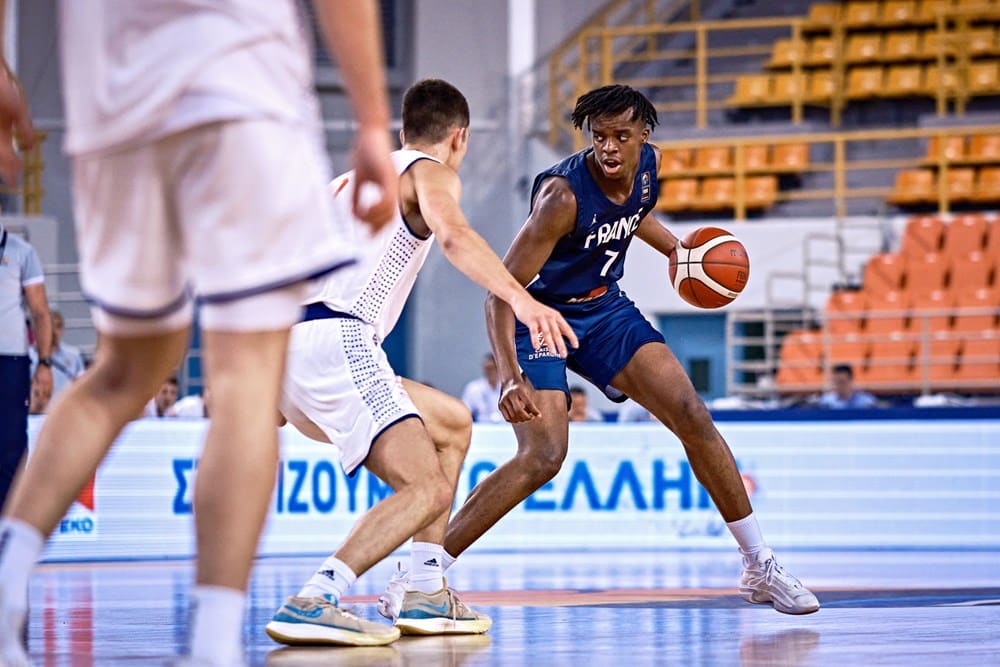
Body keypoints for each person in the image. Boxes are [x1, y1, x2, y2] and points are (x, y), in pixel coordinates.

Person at [0, 2, 399, 666]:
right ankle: (212, 645)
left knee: (119, 374)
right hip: (242, 89)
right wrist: (373, 121)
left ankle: (8, 584)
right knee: (246, 382)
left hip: (112, 108)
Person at [382, 85, 819, 617]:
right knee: (543, 456)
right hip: (538, 314)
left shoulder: (650, 167)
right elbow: (500, 292)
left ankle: (758, 565)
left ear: (644, 136)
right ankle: (421, 575)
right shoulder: (561, 199)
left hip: (603, 308)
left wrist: (678, 252)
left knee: (691, 413)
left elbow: (634, 214)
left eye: (621, 136)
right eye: (599, 137)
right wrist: (510, 375)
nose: (609, 147)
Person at [266, 78, 576, 647]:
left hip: (290, 345)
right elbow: (454, 236)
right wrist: (522, 300)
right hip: (341, 337)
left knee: (452, 423)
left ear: (404, 128)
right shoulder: (429, 171)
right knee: (427, 489)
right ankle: (316, 597)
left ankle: (426, 589)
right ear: (459, 137)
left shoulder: (346, 184)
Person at [0, 223, 52, 509]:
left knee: (10, 445)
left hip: (11, 361)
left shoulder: (22, 252)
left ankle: (9, 519)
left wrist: (44, 362)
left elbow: (40, 311)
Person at [28, 310, 86, 413]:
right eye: (50, 325)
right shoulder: (29, 356)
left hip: (65, 413)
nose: (54, 331)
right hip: (35, 413)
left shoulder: (74, 356)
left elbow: (82, 385)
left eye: (58, 326)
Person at [460, 353, 502, 422]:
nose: (490, 372)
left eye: (493, 368)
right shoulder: (473, 388)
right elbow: (464, 413)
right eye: (487, 368)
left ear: (499, 368)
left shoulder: (507, 389)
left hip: (505, 426)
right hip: (480, 426)